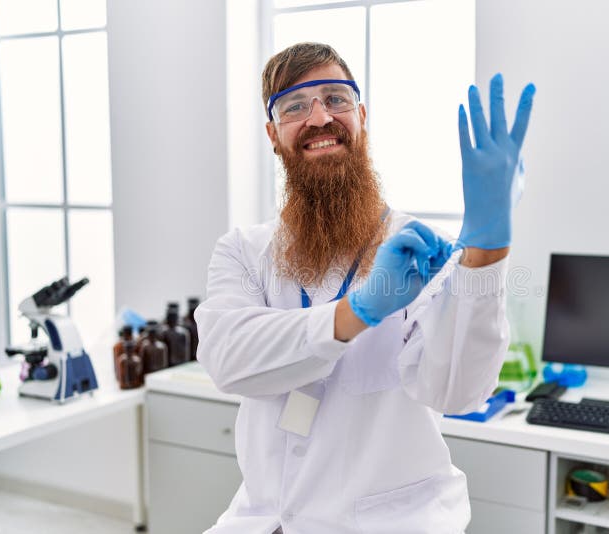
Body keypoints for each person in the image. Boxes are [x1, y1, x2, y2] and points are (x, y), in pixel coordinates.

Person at [196, 42, 535, 534]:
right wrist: (358, 311)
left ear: (362, 116)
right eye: (295, 106)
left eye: (336, 98)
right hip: (264, 519)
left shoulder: (421, 252)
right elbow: (229, 359)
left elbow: (457, 392)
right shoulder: (244, 252)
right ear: (273, 134)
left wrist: (486, 252)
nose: (320, 118)